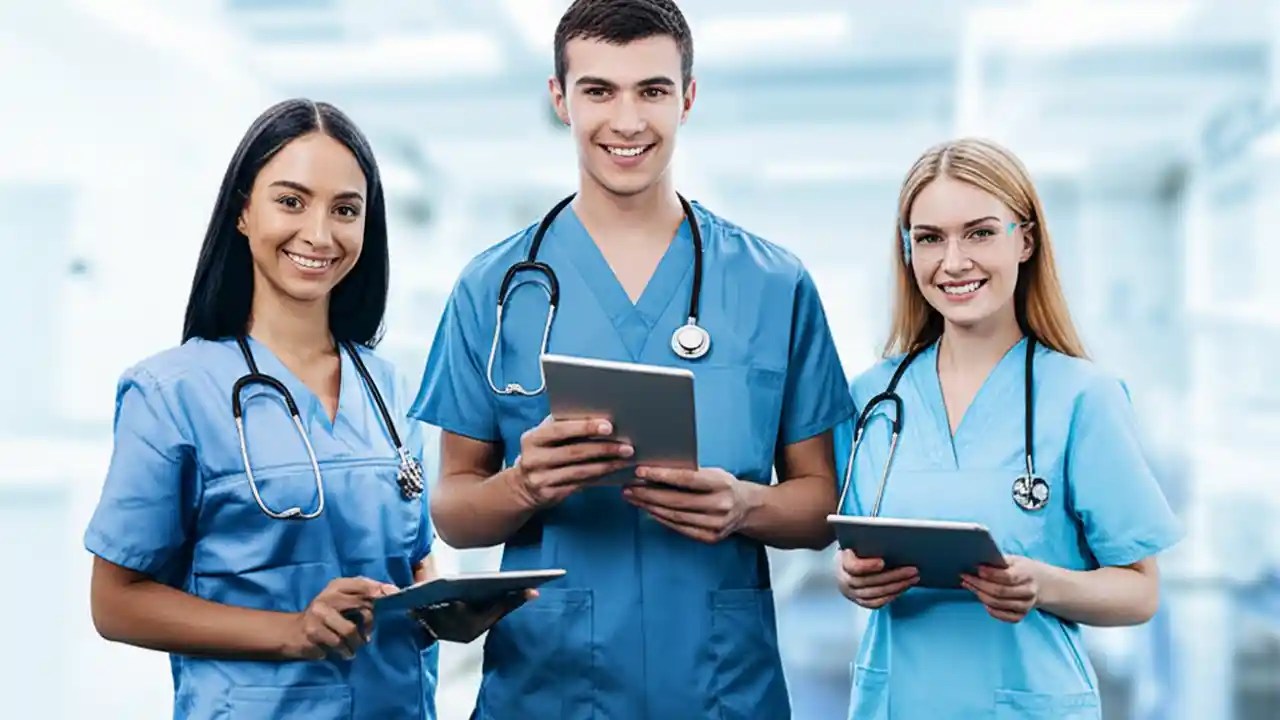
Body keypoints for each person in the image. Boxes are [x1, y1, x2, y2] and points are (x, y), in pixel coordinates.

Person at [410, 1, 854, 718]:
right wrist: (524, 485)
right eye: (598, 91)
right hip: (549, 685)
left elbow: (821, 502)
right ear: (560, 99)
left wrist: (747, 506)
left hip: (718, 687)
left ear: (688, 97)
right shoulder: (493, 288)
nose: (627, 121)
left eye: (651, 90)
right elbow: (455, 511)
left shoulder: (774, 285)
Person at [83, 98, 520, 720]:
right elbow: (116, 603)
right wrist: (290, 631)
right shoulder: (170, 393)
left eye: (345, 210)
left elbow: (414, 561)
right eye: (291, 201)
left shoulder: (387, 387)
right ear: (242, 211)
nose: (319, 233)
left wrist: (443, 612)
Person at [832, 137, 1184, 719]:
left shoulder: (1082, 397)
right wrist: (853, 579)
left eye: (979, 233)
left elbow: (1140, 591)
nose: (953, 261)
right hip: (895, 701)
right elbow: (852, 548)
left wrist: (1044, 585)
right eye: (929, 238)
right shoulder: (872, 398)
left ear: (1025, 240)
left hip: (1030, 702)